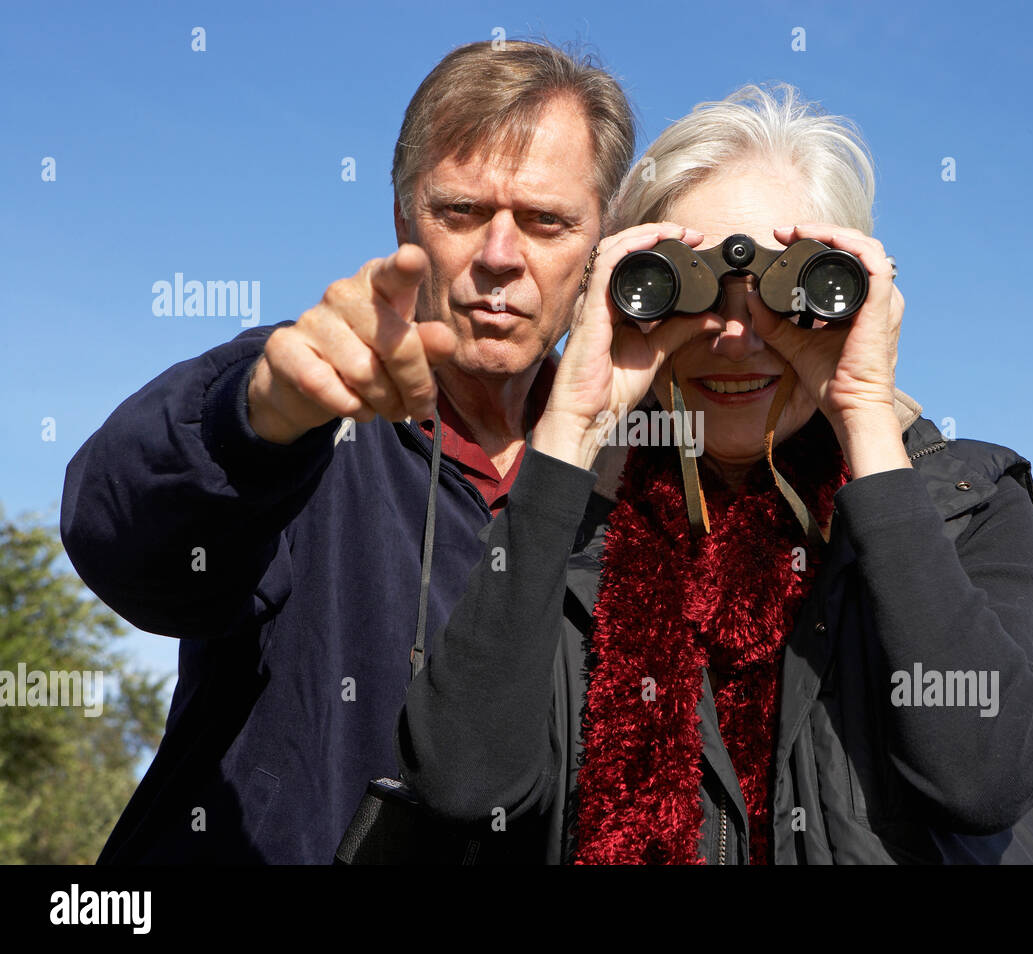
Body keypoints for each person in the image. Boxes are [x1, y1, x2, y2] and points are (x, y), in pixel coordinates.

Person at [397, 83, 1033, 863]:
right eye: (692, 285)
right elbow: (463, 783)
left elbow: (985, 779)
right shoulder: (569, 529)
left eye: (788, 291)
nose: (735, 334)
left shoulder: (964, 506)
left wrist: (866, 420)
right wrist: (570, 430)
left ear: (848, 294)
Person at [59, 39, 635, 863]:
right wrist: (253, 424)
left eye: (547, 221)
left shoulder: (636, 486)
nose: (501, 257)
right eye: (461, 212)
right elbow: (120, 540)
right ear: (405, 221)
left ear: (600, 246)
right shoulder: (313, 399)